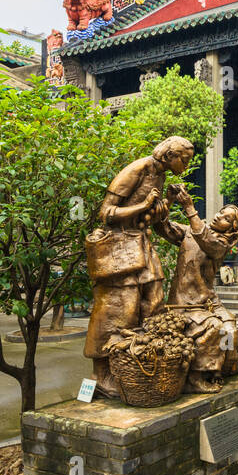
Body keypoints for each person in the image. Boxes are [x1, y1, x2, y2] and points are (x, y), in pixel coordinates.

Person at [83, 136, 194, 398]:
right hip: (120, 248)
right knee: (118, 308)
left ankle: (140, 365)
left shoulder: (160, 174)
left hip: (141, 244)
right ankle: (102, 375)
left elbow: (152, 219)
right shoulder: (137, 169)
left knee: (154, 301)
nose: (186, 166)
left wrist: (166, 203)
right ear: (169, 155)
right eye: (184, 159)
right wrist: (143, 205)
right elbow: (106, 213)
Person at [155, 189, 238, 393]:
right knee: (214, 329)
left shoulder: (222, 243)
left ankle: (225, 366)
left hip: (207, 301)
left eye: (226, 218)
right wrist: (167, 199)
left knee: (230, 332)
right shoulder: (189, 230)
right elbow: (162, 226)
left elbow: (207, 242)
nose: (219, 216)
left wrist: (189, 209)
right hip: (184, 301)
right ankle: (197, 375)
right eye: (221, 213)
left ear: (231, 228)